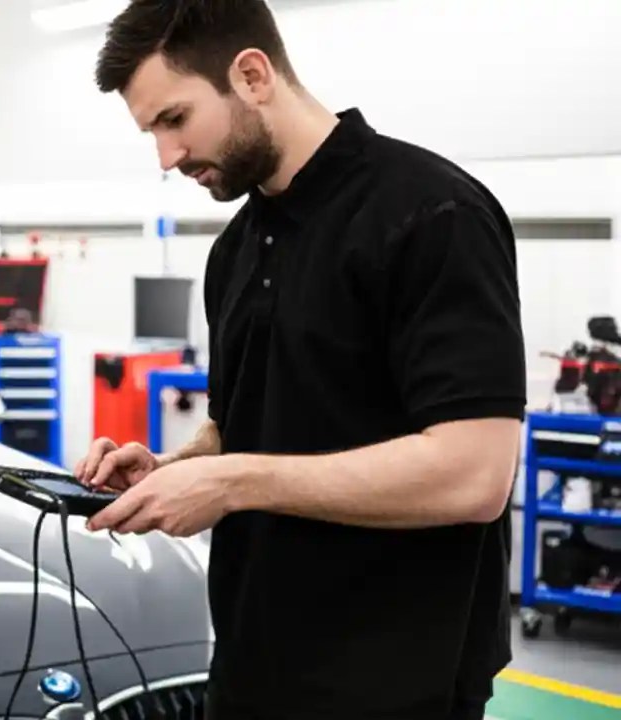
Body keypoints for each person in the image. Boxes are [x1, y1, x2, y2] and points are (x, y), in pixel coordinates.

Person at [76, 1, 526, 719]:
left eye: (174, 120)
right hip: (251, 668)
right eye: (152, 133)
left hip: (395, 685)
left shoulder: (433, 216)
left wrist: (232, 484)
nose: (166, 158)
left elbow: (474, 474)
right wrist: (175, 469)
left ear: (252, 75)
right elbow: (248, 422)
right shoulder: (236, 250)